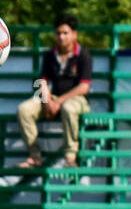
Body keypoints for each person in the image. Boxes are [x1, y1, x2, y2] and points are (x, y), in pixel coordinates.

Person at [17, 13, 92, 168]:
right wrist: (46, 101)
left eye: (65, 33)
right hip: (53, 98)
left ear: (74, 34)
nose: (61, 37)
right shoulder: (50, 55)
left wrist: (59, 101)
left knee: (69, 108)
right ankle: (34, 156)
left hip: (76, 100)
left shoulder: (84, 55)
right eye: (58, 33)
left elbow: (84, 87)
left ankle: (70, 157)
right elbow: (41, 81)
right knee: (24, 109)